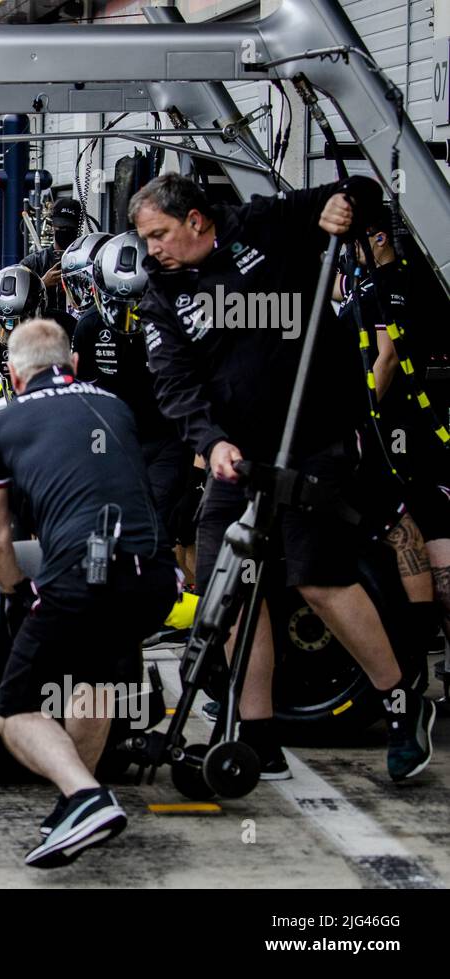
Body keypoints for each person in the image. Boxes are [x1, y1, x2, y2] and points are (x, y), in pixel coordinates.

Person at [132, 171, 435, 782]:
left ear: (195, 219)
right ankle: (257, 734)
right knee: (228, 588)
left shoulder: (264, 224)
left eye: (159, 234)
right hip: (237, 457)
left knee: (317, 578)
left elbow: (359, 189)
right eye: (145, 240)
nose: (152, 249)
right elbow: (174, 382)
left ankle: (403, 702)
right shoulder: (163, 293)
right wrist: (210, 441)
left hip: (315, 441)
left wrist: (346, 206)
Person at [0, 318, 179, 867]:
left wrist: (18, 591)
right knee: (95, 679)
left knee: (14, 711)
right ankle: (78, 804)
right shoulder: (116, 407)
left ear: (13, 374)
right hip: (153, 577)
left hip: (83, 574)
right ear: (76, 364)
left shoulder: (1, 426)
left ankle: (85, 795)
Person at [337, 206, 450, 654]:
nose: (349, 250)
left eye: (356, 241)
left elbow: (386, 358)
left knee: (419, 521)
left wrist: (357, 414)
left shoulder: (393, 284)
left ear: (380, 238)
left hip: (400, 428)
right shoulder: (364, 282)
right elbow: (330, 285)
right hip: (387, 428)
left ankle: (423, 637)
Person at [72, 231, 190, 548]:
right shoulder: (88, 327)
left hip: (166, 438)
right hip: (112, 439)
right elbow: (84, 398)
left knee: (154, 525)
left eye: (135, 306)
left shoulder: (179, 323)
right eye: (116, 305)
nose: (125, 318)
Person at [20, 197, 82, 326]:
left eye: (69, 228)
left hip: (77, 329)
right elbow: (16, 300)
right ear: (53, 226)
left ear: (78, 228)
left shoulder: (86, 261)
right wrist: (42, 284)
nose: (65, 231)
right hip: (42, 330)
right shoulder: (33, 263)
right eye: (61, 227)